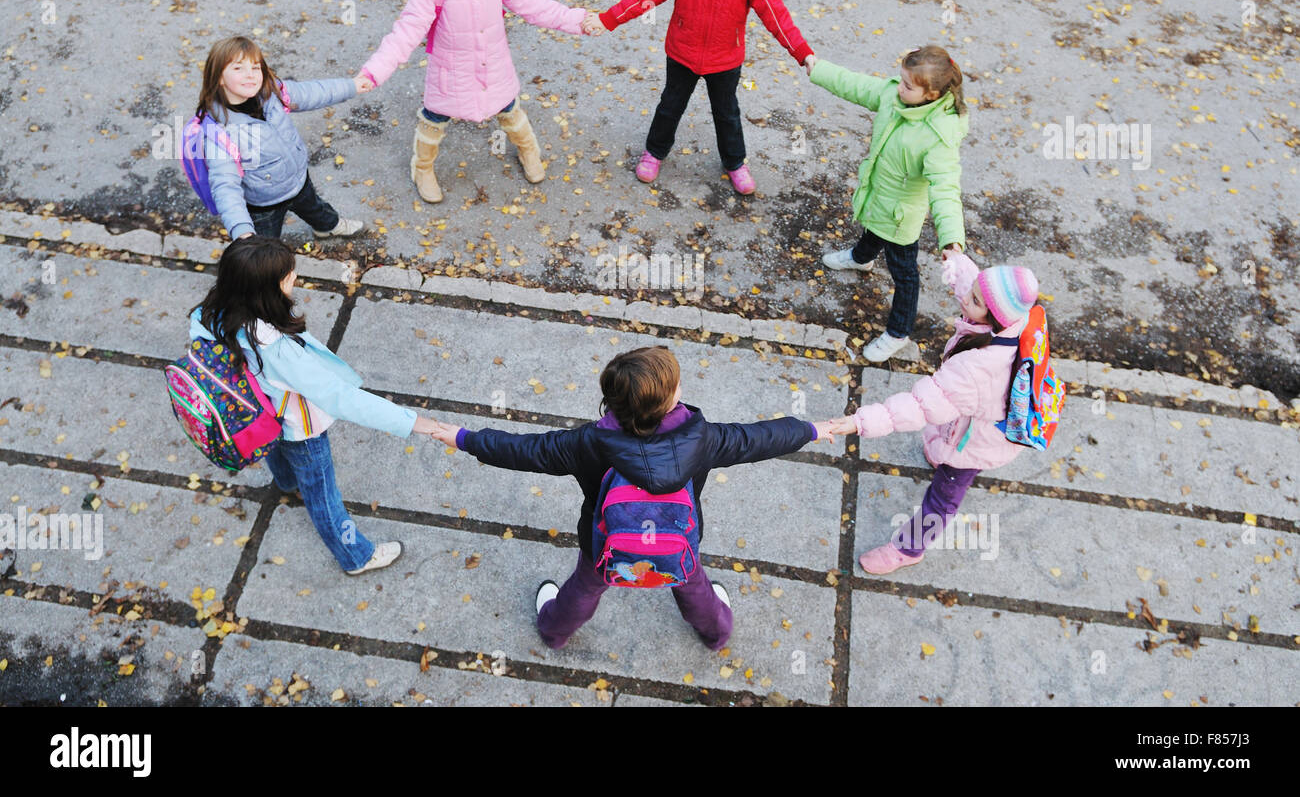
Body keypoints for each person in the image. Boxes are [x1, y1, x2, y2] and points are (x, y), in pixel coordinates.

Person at [423, 346, 837, 649]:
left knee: (585, 587)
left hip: (605, 541)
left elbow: (523, 450)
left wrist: (464, 438)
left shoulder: (585, 443)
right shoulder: (705, 440)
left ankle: (553, 631)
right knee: (691, 584)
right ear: (670, 399)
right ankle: (716, 633)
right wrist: (812, 430)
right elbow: (761, 438)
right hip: (679, 538)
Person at [190, 235, 442, 574]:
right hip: (300, 429)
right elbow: (341, 398)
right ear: (265, 291)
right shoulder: (277, 350)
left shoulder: (208, 315)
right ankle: (356, 556)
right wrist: (414, 423)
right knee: (324, 498)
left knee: (276, 450)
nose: (294, 277)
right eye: (287, 276)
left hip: (256, 417)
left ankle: (286, 483)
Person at [359, 0, 597, 203]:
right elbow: (405, 32)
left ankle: (528, 150)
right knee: (434, 117)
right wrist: (374, 72)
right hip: (450, 70)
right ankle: (422, 169)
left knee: (508, 107)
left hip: (493, 64)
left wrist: (579, 21)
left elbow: (535, 5)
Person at [825, 253, 1039, 574]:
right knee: (945, 440)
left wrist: (860, 422)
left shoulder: (976, 369)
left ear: (994, 318)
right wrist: (958, 259)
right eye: (972, 290)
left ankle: (908, 549)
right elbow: (976, 289)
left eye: (975, 300)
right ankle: (940, 454)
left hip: (974, 445)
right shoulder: (1013, 320)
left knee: (942, 500)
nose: (966, 300)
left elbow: (921, 405)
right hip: (975, 420)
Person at [586, 0, 814, 195]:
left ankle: (735, 163)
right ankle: (654, 152)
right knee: (670, 106)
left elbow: (775, 14)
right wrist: (608, 19)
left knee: (727, 113)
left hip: (725, 59)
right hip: (683, 53)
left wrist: (802, 53)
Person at [808, 44, 969, 361]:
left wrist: (952, 239)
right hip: (879, 198)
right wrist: (819, 69)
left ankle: (898, 332)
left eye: (908, 85)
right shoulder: (895, 96)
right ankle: (861, 258)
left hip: (900, 219)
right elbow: (855, 85)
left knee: (905, 274)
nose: (899, 87)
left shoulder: (938, 138)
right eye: (901, 79)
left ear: (931, 95)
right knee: (873, 229)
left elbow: (946, 189)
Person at [197, 35, 367, 241]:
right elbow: (225, 185)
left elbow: (311, 93)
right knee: (266, 247)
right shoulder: (219, 133)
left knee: (316, 209)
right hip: (264, 206)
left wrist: (351, 86)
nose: (250, 74)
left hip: (298, 180)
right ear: (219, 78)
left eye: (255, 67)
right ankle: (269, 262)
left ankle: (328, 226)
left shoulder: (272, 91)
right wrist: (242, 230)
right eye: (238, 68)